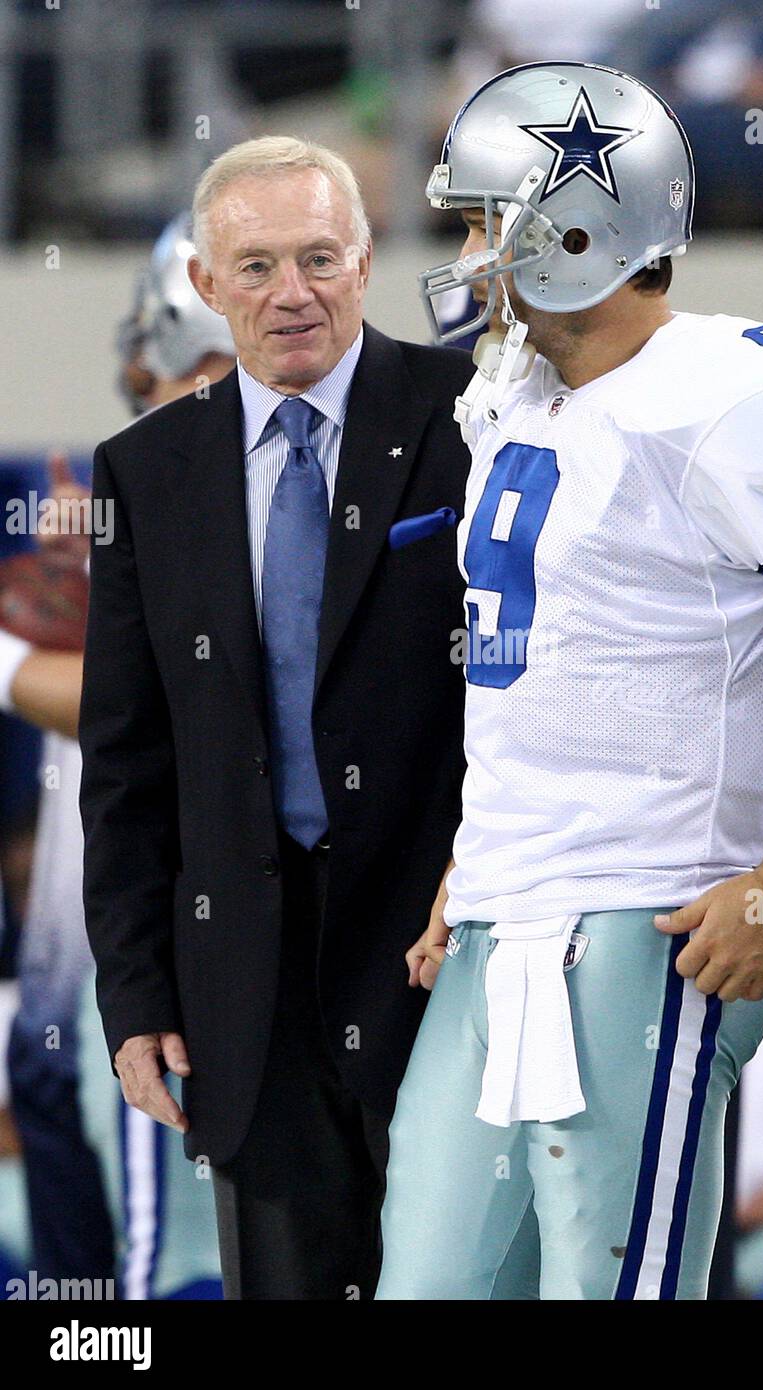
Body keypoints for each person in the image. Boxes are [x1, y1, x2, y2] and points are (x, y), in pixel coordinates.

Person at [375, 60, 763, 1301]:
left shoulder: (722, 398)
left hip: (642, 924)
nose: (473, 250)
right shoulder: (518, 392)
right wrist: (473, 858)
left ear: (578, 229)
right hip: (500, 913)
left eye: (491, 218)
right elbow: (546, 669)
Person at [78, 137, 473, 1300]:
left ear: (363, 262)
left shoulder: (475, 419)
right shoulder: (144, 471)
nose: (290, 293)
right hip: (243, 981)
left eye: (318, 258)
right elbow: (127, 761)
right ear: (204, 284)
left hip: (441, 958)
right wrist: (136, 996)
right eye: (254, 267)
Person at [0, 214, 236, 1297]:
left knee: (164, 1271)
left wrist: (7, 656)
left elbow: (149, 707)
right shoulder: (150, 495)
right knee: (80, 1290)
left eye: (160, 369)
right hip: (91, 958)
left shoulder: (278, 502)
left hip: (174, 961)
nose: (139, 390)